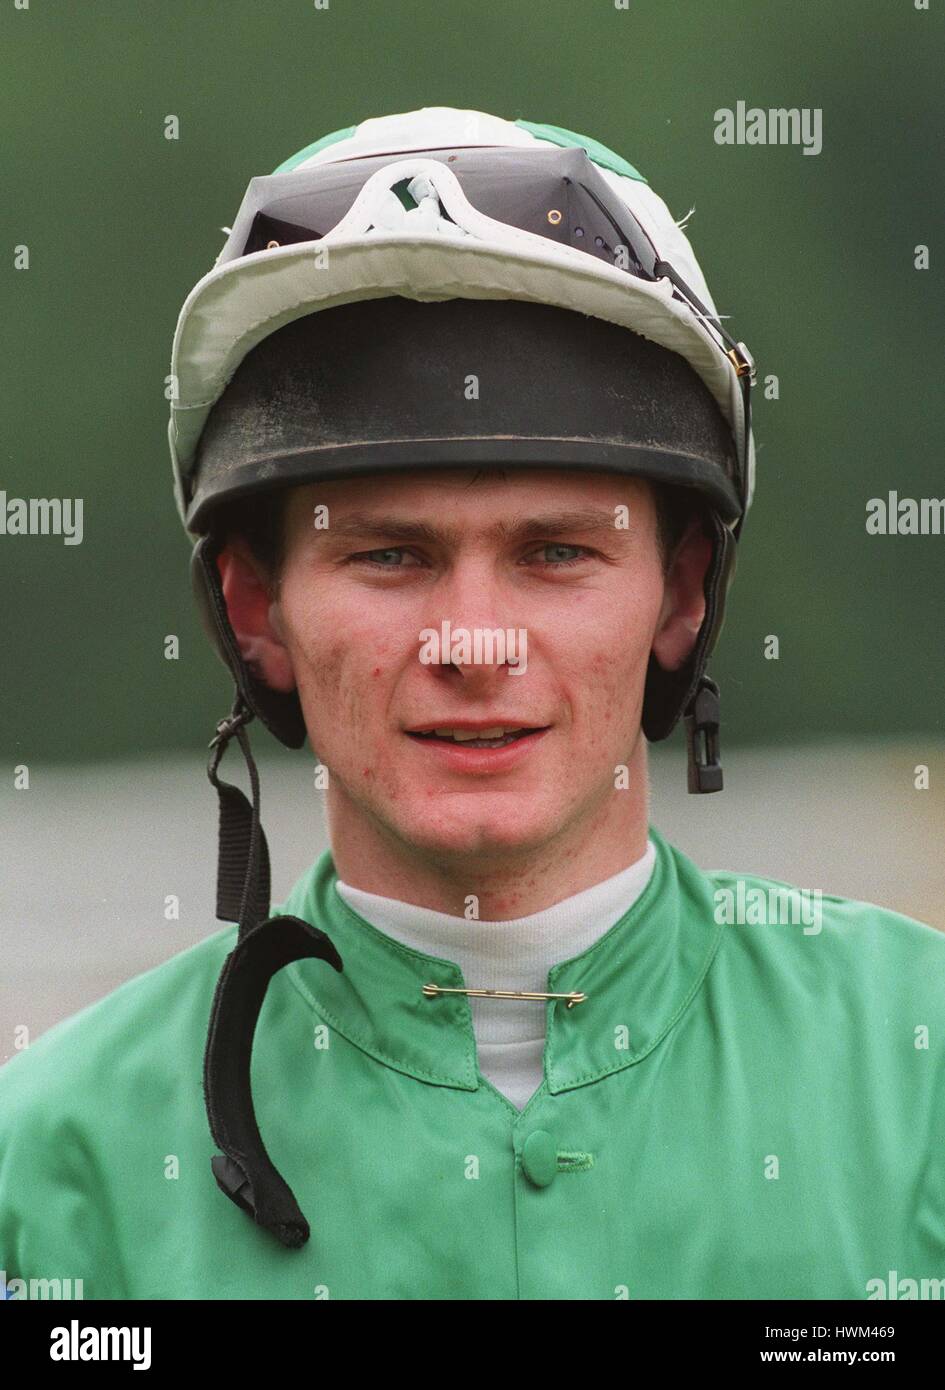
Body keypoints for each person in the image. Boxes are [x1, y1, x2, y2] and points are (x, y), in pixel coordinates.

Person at [1, 107, 943, 1302]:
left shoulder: (922, 1081)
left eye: (555, 553)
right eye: (390, 557)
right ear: (255, 609)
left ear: (683, 590)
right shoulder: (46, 1171)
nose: (473, 640)